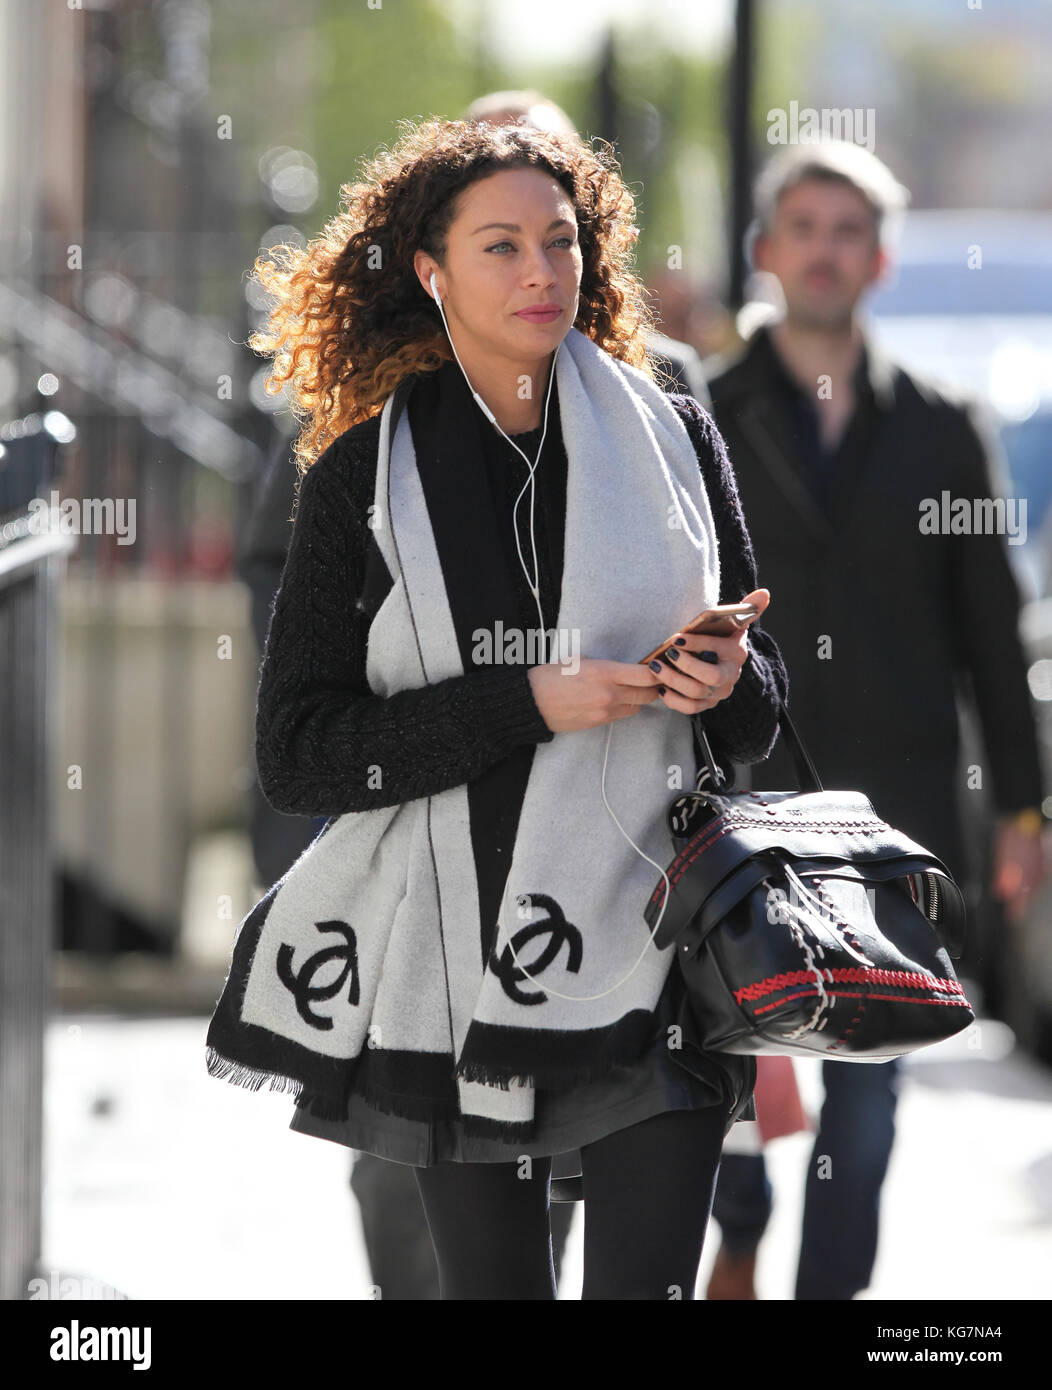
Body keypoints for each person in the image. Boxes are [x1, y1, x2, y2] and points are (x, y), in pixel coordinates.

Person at [207, 117, 789, 1300]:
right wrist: (525, 702)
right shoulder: (355, 480)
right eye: (502, 246)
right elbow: (300, 756)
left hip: (652, 953)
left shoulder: (674, 437)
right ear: (429, 273)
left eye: (561, 242)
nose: (541, 272)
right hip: (451, 975)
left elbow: (758, 713)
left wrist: (727, 681)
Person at [702, 137, 1048, 1300]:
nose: (822, 250)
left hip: (893, 815)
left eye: (846, 230)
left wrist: (1019, 805)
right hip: (740, 806)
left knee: (868, 1086)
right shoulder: (700, 415)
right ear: (764, 249)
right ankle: (737, 1237)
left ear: (879, 259)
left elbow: (991, 636)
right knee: (735, 1066)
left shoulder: (942, 425)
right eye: (802, 227)